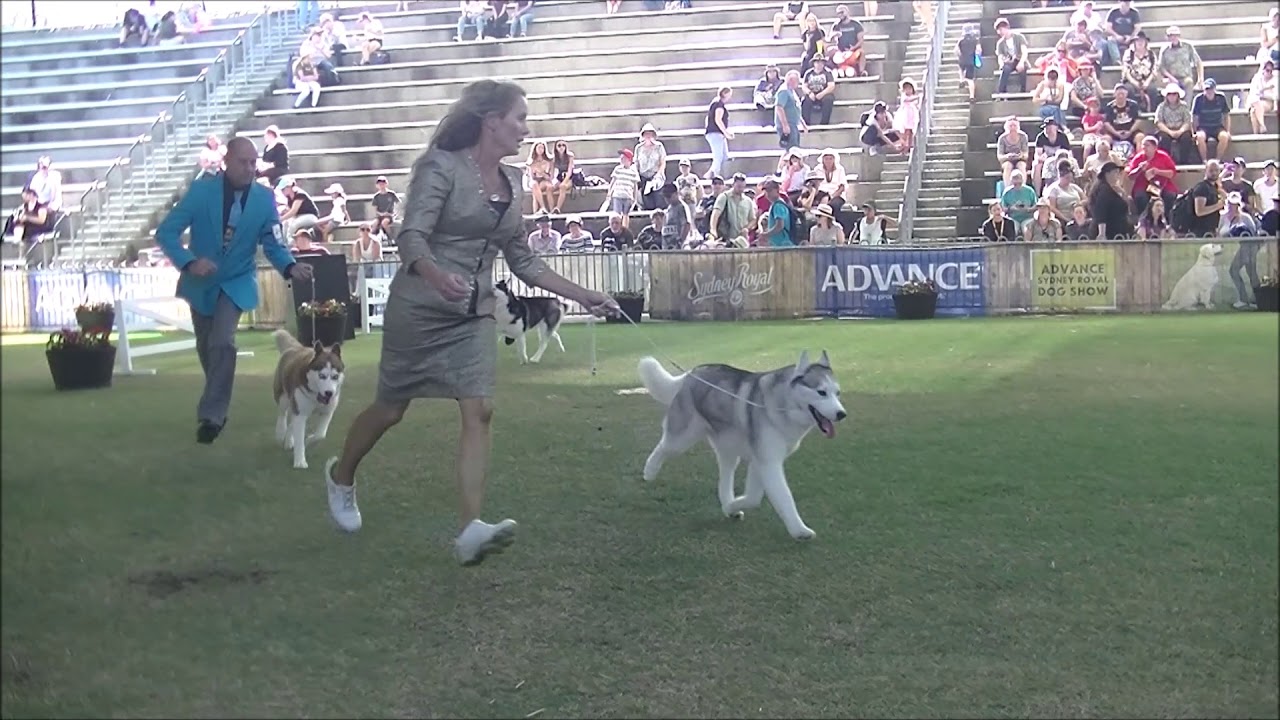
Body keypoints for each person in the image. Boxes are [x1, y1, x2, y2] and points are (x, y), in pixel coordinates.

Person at [322, 80, 619, 564]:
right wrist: (436, 275)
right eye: (519, 118)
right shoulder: (441, 168)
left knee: (479, 409)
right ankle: (342, 477)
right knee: (391, 410)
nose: (526, 128)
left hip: (472, 314)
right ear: (491, 121)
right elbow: (411, 234)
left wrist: (583, 295)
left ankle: (470, 530)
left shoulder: (515, 183)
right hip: (419, 309)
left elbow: (524, 261)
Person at [154, 137, 313, 444]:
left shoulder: (265, 199)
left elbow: (274, 243)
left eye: (254, 162)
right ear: (226, 162)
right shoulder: (201, 192)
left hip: (238, 281)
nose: (250, 168)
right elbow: (167, 232)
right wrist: (189, 262)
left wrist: (291, 267)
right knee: (208, 347)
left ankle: (212, 416)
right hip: (200, 283)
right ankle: (216, 396)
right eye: (243, 162)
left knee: (223, 342)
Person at [1088, 160, 1134, 239]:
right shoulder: (1104, 190)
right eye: (1115, 172)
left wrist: (1122, 193)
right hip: (1110, 231)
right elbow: (1101, 211)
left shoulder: (1113, 189)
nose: (1118, 174)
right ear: (1107, 174)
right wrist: (1102, 233)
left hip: (1119, 229)